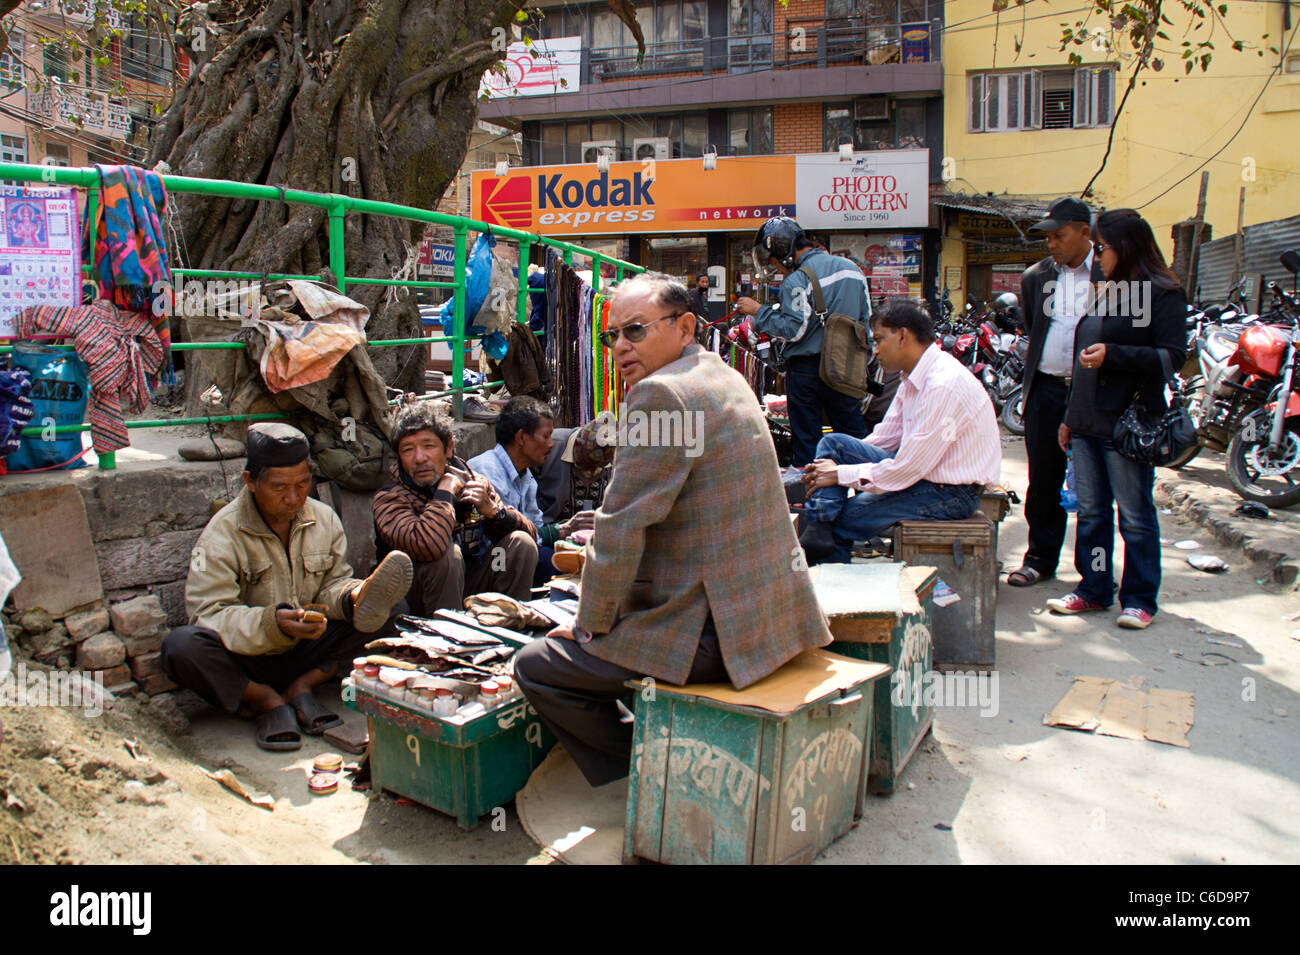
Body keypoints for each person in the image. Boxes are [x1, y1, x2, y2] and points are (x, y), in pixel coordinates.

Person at [514, 272, 832, 787]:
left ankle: (642, 770)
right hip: (772, 617)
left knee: (536, 664)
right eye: (610, 335)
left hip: (717, 633)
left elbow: (620, 527)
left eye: (635, 331)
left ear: (685, 327)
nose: (620, 346)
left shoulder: (660, 394)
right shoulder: (720, 374)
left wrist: (588, 624)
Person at [161, 423, 413, 752]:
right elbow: (208, 614)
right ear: (251, 481)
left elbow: (332, 583)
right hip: (251, 656)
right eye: (280, 487)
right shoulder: (221, 533)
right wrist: (272, 621)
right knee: (180, 647)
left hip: (308, 650)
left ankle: (303, 687)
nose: (293, 498)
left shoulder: (324, 519)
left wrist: (351, 597)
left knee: (397, 613)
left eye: (302, 484)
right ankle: (264, 699)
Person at [1046, 209, 1188, 629]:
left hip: (1127, 423)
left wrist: (1115, 355)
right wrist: (1070, 416)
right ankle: (1094, 587)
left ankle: (1140, 598)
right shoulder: (1106, 291)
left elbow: (1171, 357)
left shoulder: (1158, 292)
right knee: (1091, 513)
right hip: (1087, 420)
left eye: (1103, 247)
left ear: (1124, 247)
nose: (1099, 255)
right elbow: (1081, 356)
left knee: (1134, 515)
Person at [798, 299, 1002, 565]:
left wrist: (839, 475)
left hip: (950, 494)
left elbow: (907, 468)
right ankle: (819, 526)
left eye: (880, 340)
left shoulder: (943, 385)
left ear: (903, 336)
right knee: (834, 445)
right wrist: (835, 468)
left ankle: (824, 544)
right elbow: (886, 437)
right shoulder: (913, 377)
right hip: (926, 478)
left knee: (841, 522)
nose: (875, 350)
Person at [1007, 197, 1106, 589]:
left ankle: (1094, 575)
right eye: (1047, 237)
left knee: (1094, 489)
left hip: (1094, 393)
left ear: (1085, 233)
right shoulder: (1036, 277)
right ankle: (1040, 559)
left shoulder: (1113, 272)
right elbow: (1035, 328)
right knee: (1044, 480)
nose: (1051, 245)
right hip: (1047, 389)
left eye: (1059, 236)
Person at [372, 403, 538, 615]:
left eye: (428, 446)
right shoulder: (390, 498)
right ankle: (447, 638)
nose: (420, 458)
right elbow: (429, 545)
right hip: (413, 601)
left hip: (466, 589)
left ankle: (511, 625)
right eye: (408, 450)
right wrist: (445, 492)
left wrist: (495, 512)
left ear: (448, 448)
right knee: (448, 556)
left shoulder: (473, 482)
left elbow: (532, 536)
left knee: (520, 544)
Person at [735, 216, 870, 467]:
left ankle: (816, 499)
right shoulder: (853, 270)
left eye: (773, 258)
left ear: (782, 249)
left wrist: (759, 311)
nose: (775, 265)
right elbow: (866, 324)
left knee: (809, 443)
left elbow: (793, 329)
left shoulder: (797, 280)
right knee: (853, 436)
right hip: (845, 365)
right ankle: (864, 492)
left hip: (807, 371)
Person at [468, 395, 595, 582]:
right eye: (546, 436)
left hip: (513, 554)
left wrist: (567, 530)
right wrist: (561, 530)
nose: (551, 444)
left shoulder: (526, 476)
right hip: (491, 563)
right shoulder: (487, 471)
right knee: (558, 567)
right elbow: (511, 535)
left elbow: (535, 529)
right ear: (521, 437)